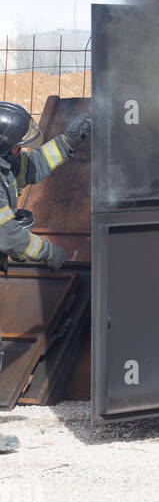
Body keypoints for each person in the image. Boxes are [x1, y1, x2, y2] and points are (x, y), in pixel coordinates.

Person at [0, 101, 90, 452]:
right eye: (17, 143)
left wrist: (69, 141)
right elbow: (6, 235)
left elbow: (35, 165)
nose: (21, 148)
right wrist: (48, 253)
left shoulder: (7, 163)